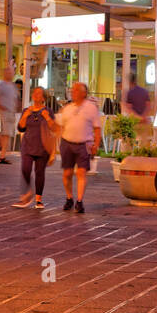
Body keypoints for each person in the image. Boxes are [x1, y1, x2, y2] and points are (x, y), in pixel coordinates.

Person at [56, 81, 102, 214]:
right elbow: (60, 126)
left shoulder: (91, 108)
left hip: (83, 144)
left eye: (76, 90)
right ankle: (69, 197)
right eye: (72, 90)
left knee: (81, 172)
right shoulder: (67, 108)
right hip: (67, 143)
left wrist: (96, 144)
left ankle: (80, 201)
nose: (73, 92)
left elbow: (97, 128)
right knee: (67, 173)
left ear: (84, 93)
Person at [13, 87, 57, 208]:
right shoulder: (27, 110)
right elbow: (20, 128)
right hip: (27, 145)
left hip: (42, 146)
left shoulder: (48, 111)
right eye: (35, 93)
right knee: (25, 169)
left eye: (39, 93)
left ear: (43, 98)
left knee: (39, 172)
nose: (36, 95)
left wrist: (47, 117)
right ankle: (29, 192)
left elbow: (54, 128)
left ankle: (38, 199)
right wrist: (24, 116)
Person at [0, 66, 20, 165]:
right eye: (10, 73)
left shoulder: (12, 85)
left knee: (7, 134)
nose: (11, 75)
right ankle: (3, 156)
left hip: (11, 112)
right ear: (6, 73)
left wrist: (15, 108)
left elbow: (15, 98)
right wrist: (1, 107)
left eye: (12, 73)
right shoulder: (1, 85)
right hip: (6, 112)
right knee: (6, 134)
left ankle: (3, 154)